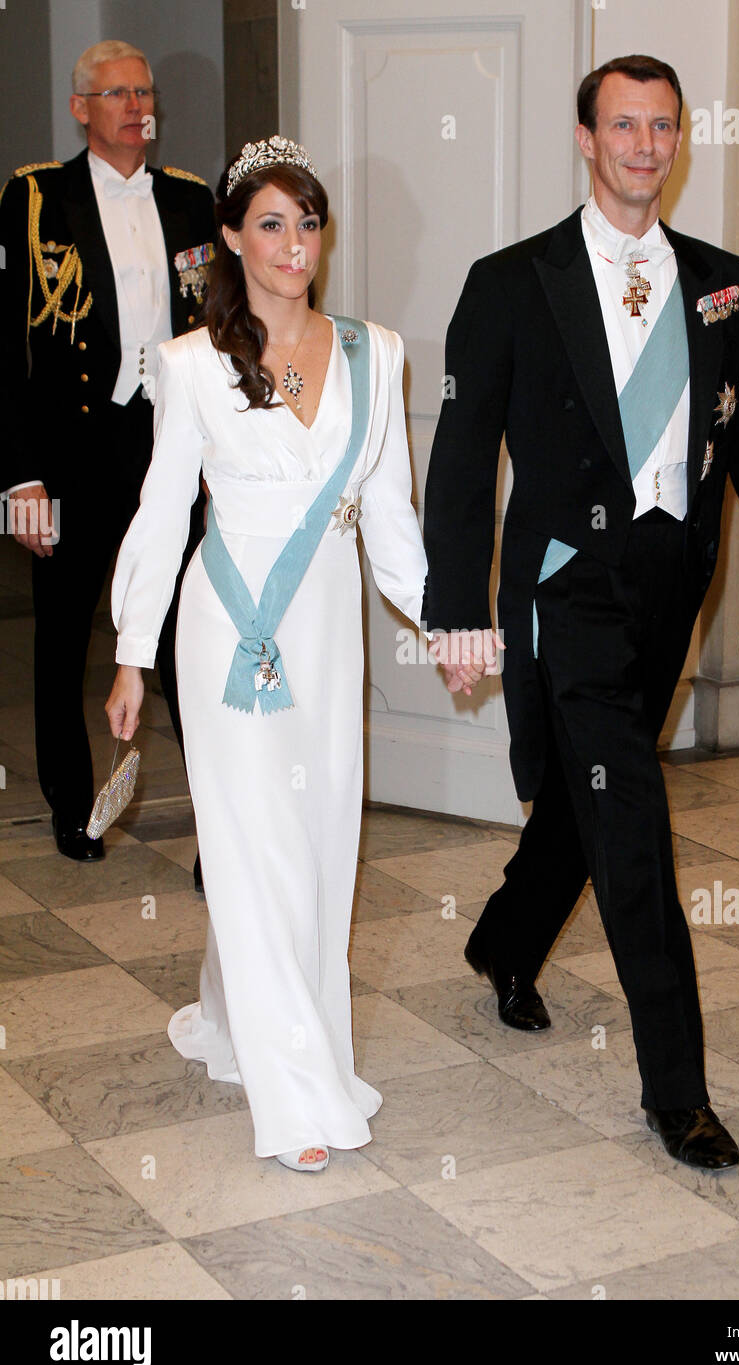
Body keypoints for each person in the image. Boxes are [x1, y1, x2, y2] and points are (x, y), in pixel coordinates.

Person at [424, 56, 739, 1171]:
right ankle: (678, 1091)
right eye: (623, 126)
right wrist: (455, 607)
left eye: (663, 126)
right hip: (570, 587)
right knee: (636, 826)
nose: (645, 145)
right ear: (585, 140)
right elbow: (461, 462)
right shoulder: (511, 281)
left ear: (678, 140)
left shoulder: (721, 280)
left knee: (594, 793)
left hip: (669, 585)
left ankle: (504, 943)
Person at [105, 137, 428, 1172]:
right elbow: (161, 513)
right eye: (274, 224)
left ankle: (241, 1018)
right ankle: (298, 1099)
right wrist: (129, 652)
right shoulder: (190, 364)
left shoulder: (379, 352)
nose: (296, 245)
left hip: (328, 630)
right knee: (254, 849)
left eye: (310, 222)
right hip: (226, 628)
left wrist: (445, 624)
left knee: (320, 846)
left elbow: (392, 513)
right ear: (234, 238)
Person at [0, 39, 213, 865]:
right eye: (116, 93)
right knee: (63, 635)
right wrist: (20, 476)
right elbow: (4, 350)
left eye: (145, 92)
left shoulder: (195, 202)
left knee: (186, 640)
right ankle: (70, 806)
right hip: (70, 451)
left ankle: (218, 823)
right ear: (80, 108)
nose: (136, 106)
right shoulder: (32, 199)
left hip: (169, 448)